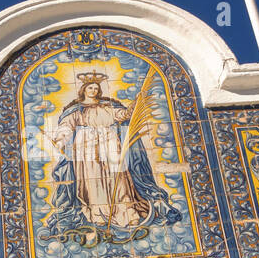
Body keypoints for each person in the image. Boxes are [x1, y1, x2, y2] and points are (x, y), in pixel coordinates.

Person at [44, 74, 179, 234]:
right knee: (92, 181)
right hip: (86, 146)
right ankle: (99, 216)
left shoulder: (108, 106)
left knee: (119, 178)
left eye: (96, 88)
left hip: (110, 142)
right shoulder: (77, 109)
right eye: (90, 87)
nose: (93, 90)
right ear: (84, 90)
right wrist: (60, 140)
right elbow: (66, 126)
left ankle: (127, 214)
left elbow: (124, 116)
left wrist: (136, 102)